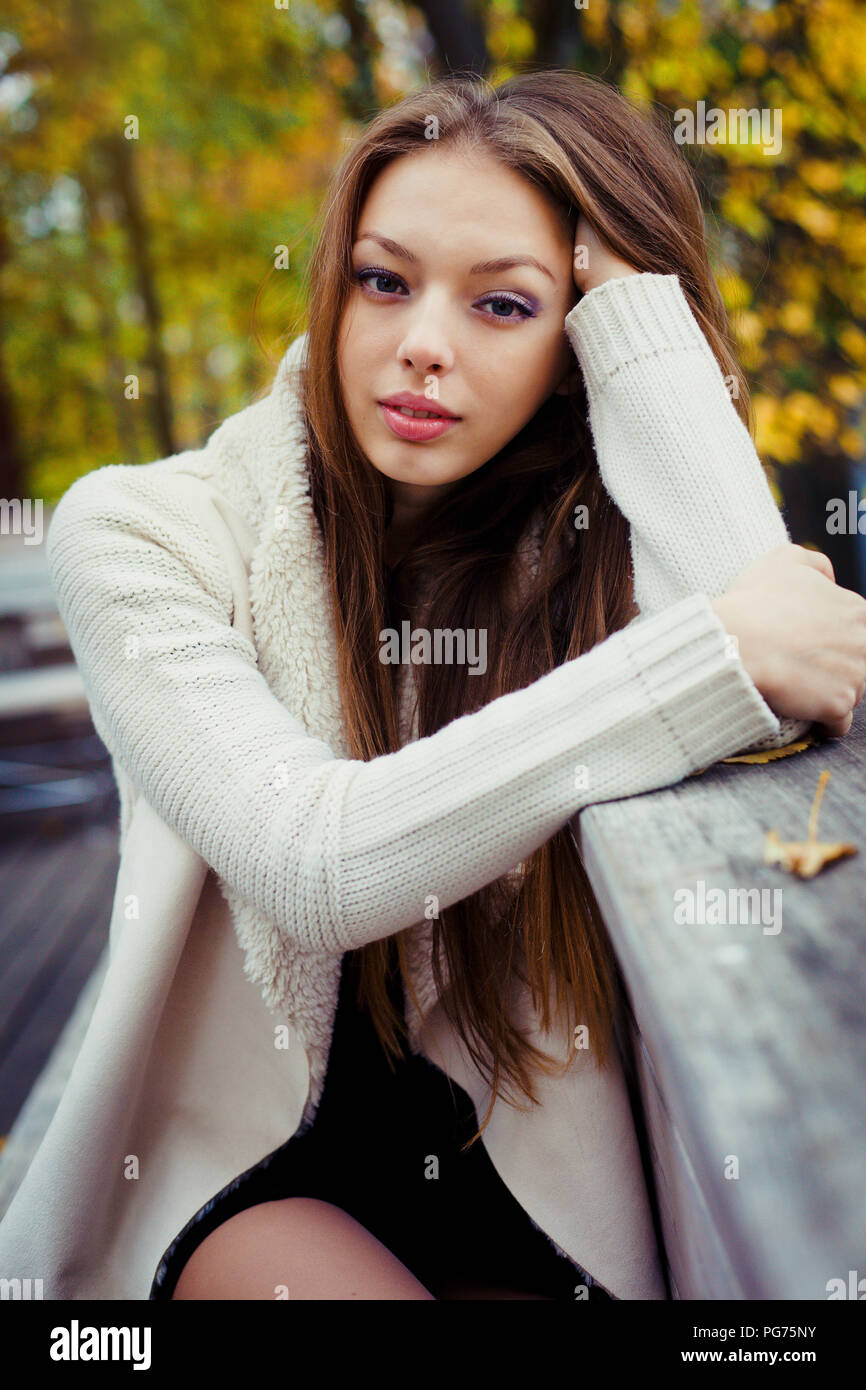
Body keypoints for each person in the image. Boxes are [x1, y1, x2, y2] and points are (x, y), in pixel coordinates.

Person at [1, 70, 864, 1303]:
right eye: (382, 279)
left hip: (526, 1170)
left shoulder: (587, 562)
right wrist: (716, 656)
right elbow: (317, 862)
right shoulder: (143, 531)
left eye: (504, 304)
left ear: (575, 350)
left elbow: (770, 667)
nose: (420, 342)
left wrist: (640, 323)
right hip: (259, 1166)